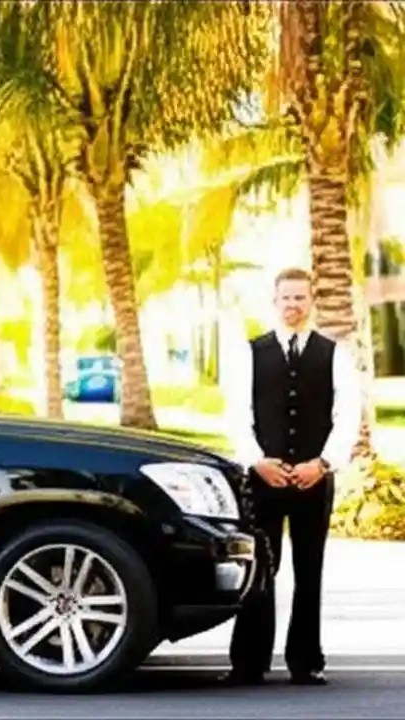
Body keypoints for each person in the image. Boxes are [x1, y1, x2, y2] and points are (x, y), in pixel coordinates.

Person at [222, 266, 360, 686]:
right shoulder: (251, 353)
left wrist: (322, 464)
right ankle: (248, 663)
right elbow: (236, 415)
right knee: (261, 568)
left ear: (311, 301)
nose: (294, 305)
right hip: (264, 478)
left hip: (313, 479)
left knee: (309, 568)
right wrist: (257, 461)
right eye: (287, 298)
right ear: (275, 301)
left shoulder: (334, 354)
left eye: (301, 297)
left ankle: (306, 662)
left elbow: (348, 416)